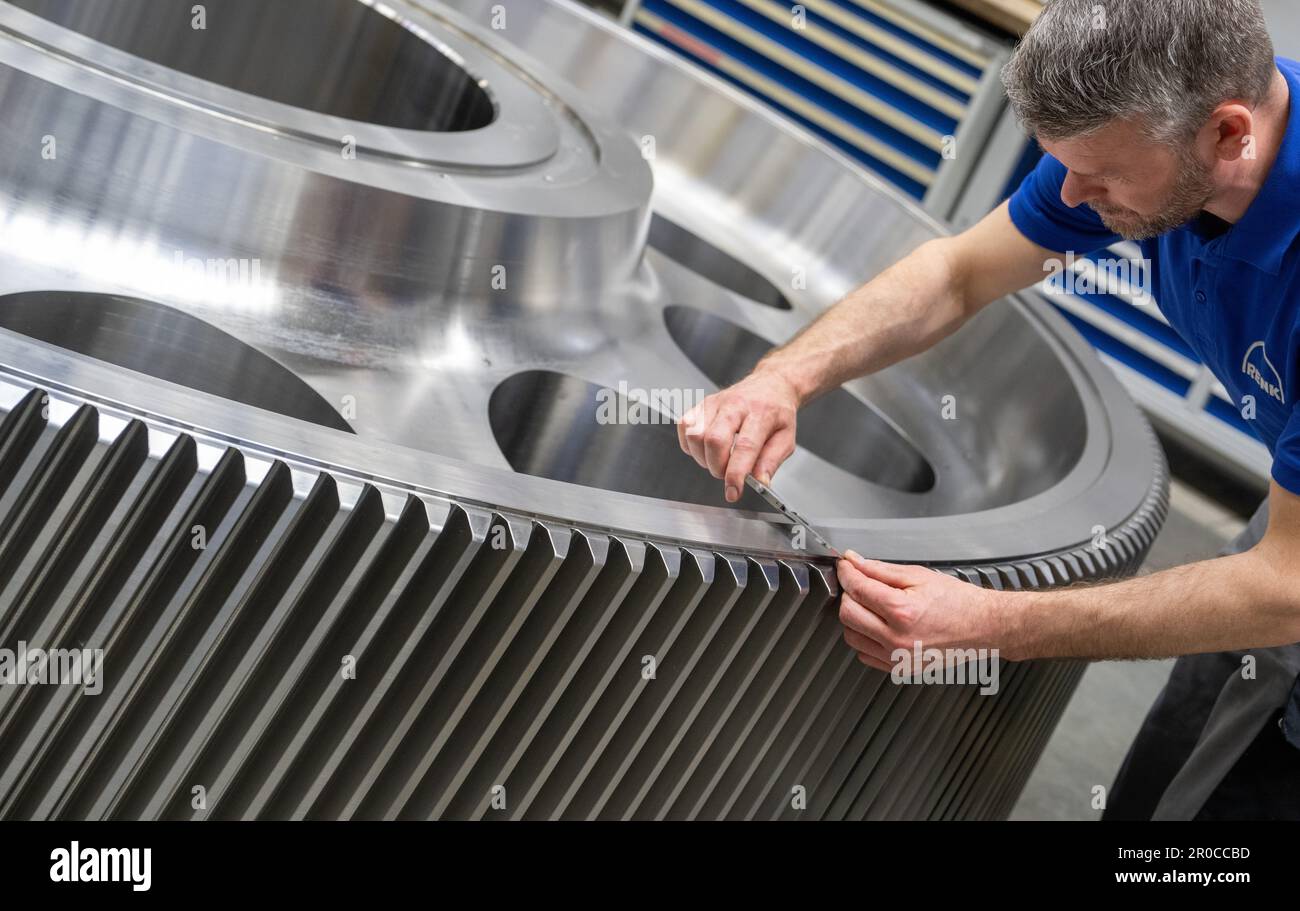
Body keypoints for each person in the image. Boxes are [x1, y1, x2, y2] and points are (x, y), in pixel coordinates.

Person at [677, 0, 1300, 820]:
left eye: (1101, 175)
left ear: (1226, 135)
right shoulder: (1156, 143)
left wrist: (993, 622)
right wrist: (782, 377)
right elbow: (960, 274)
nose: (1075, 196)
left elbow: (1286, 585)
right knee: (1170, 778)